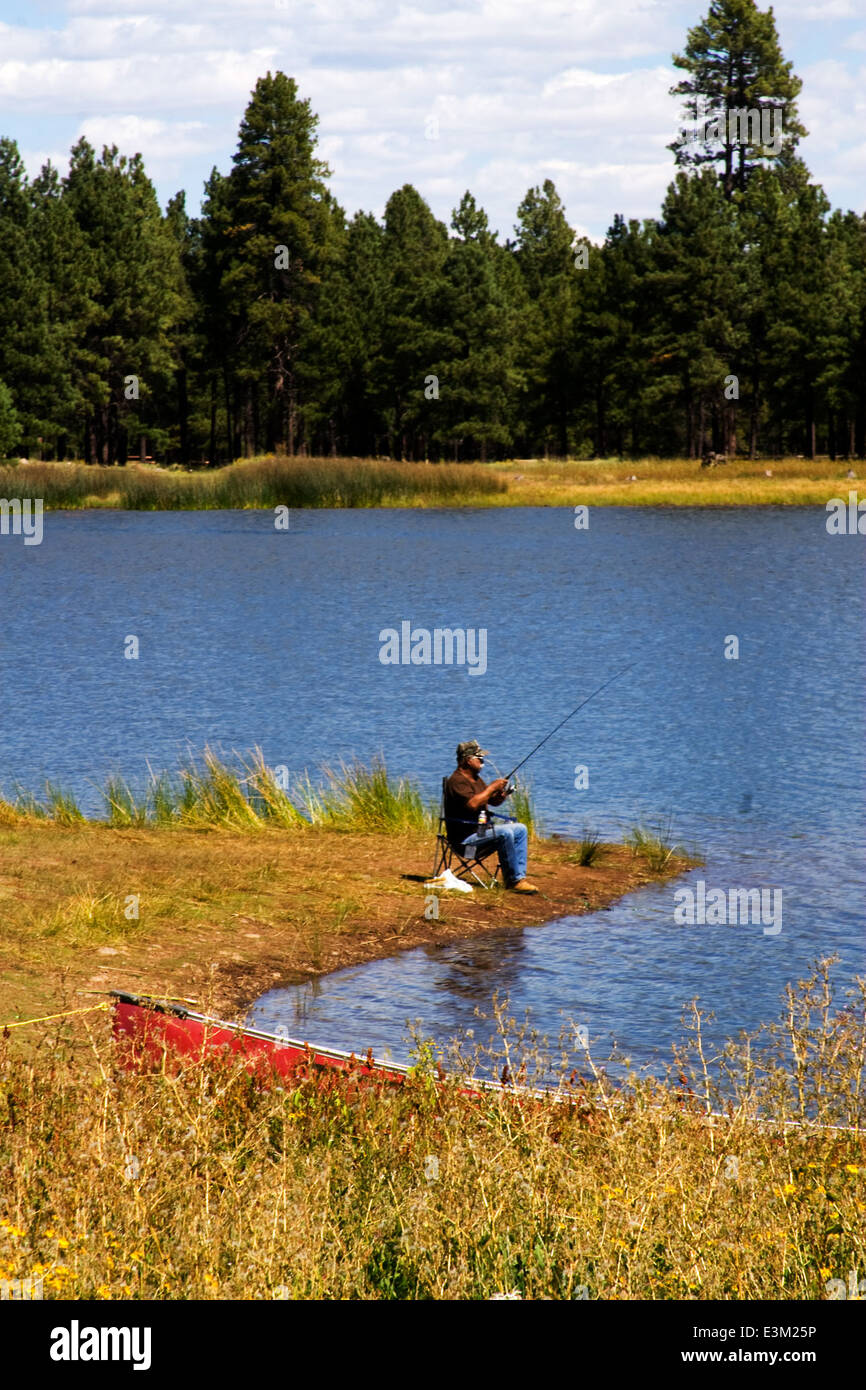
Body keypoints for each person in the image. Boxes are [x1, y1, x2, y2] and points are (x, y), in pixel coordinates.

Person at [443, 740, 537, 893]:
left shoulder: (476, 779)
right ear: (468, 760)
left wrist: (499, 795)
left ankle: (520, 877)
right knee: (505, 833)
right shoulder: (456, 781)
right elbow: (473, 804)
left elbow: (490, 801)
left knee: (520, 829)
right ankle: (513, 881)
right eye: (479, 758)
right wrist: (492, 787)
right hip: (466, 843)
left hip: (481, 833)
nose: (482, 761)